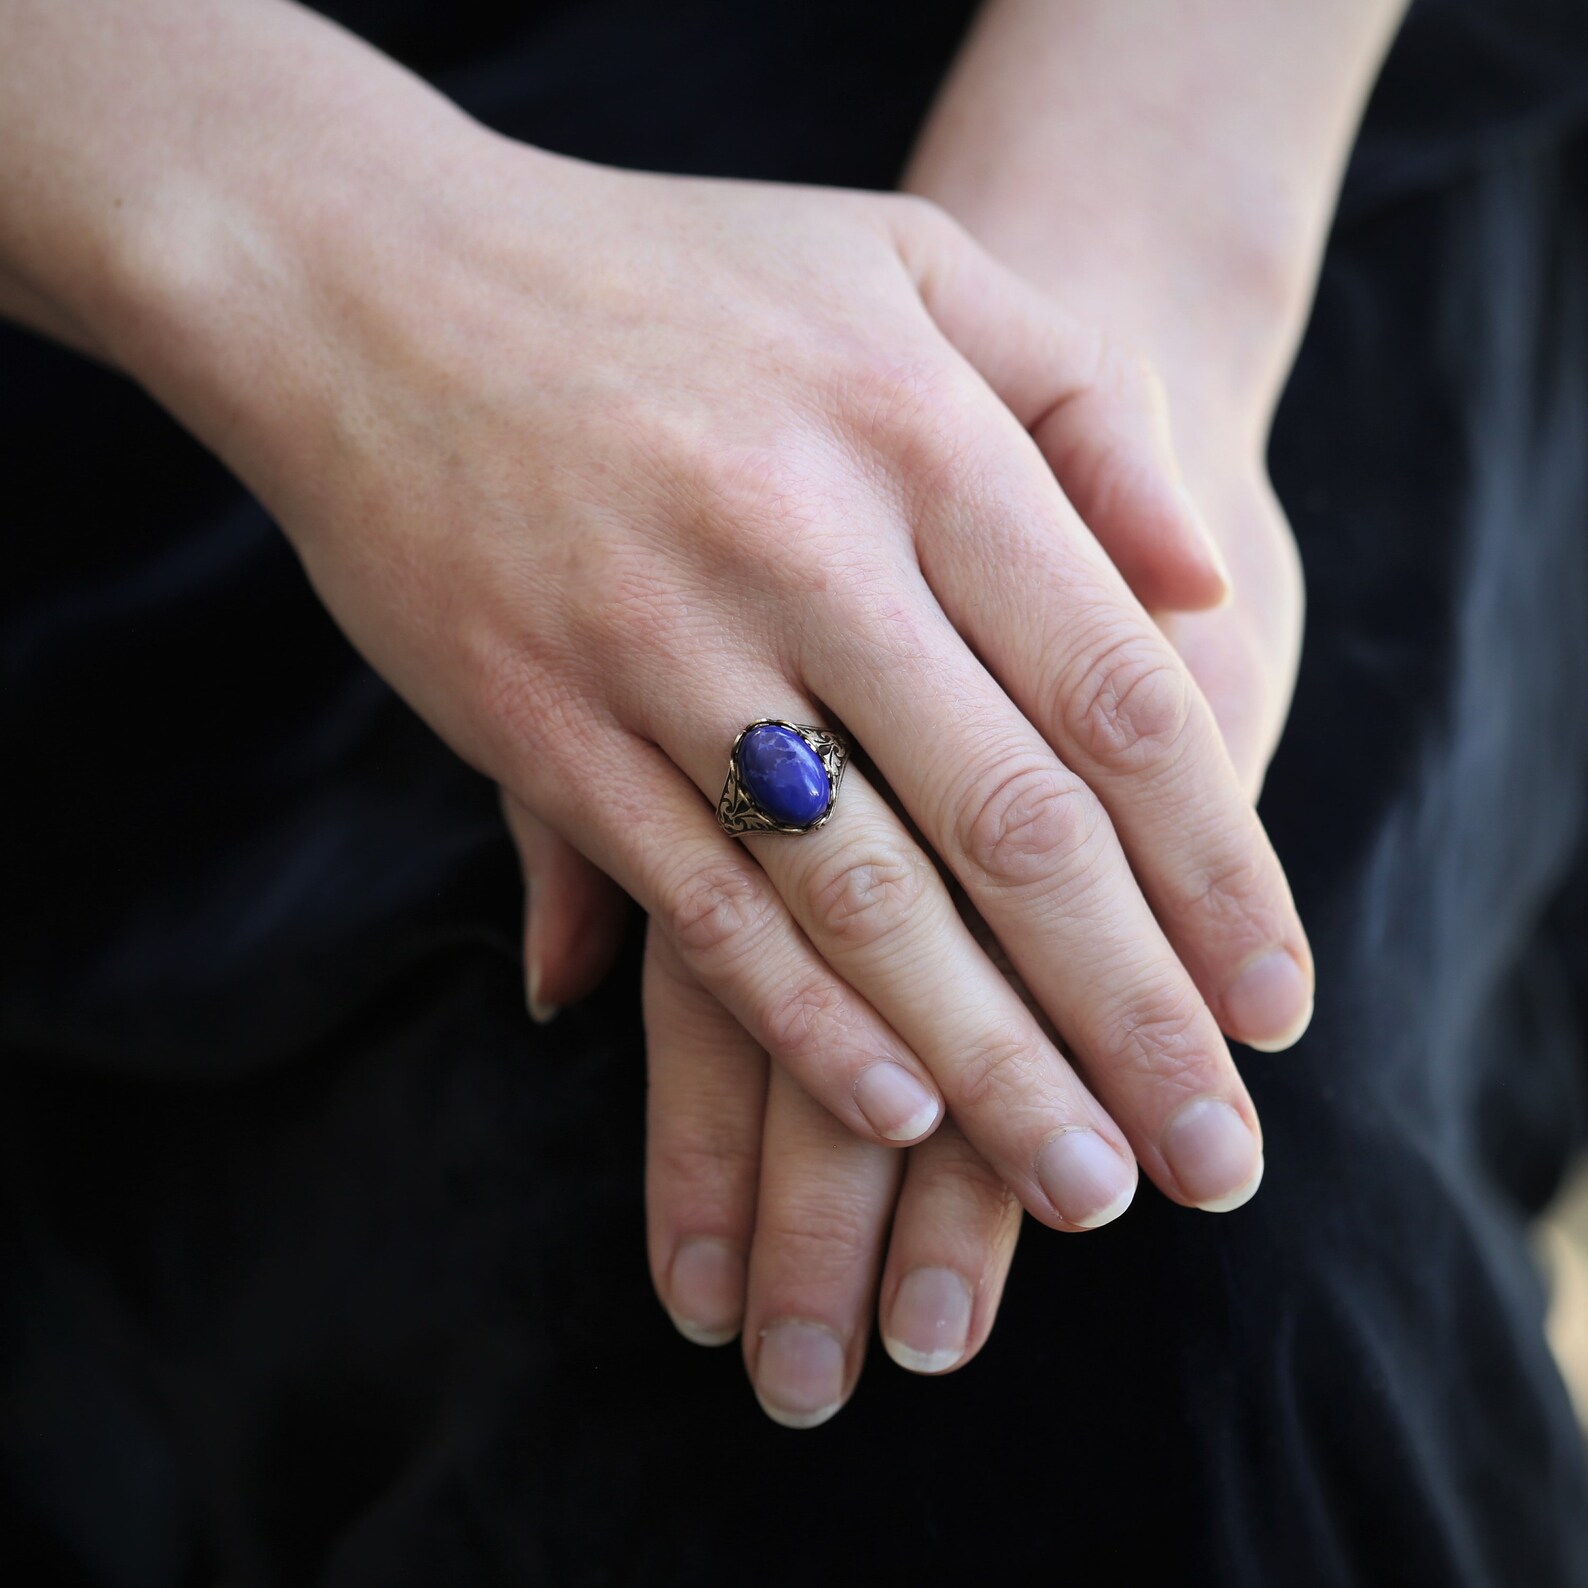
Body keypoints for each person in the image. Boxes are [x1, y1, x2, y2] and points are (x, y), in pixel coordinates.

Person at [3, 1, 1586, 1583]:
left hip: (1160, 85)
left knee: (1154, 1248)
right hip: (128, 164)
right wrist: (358, 268)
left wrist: (1118, 259)